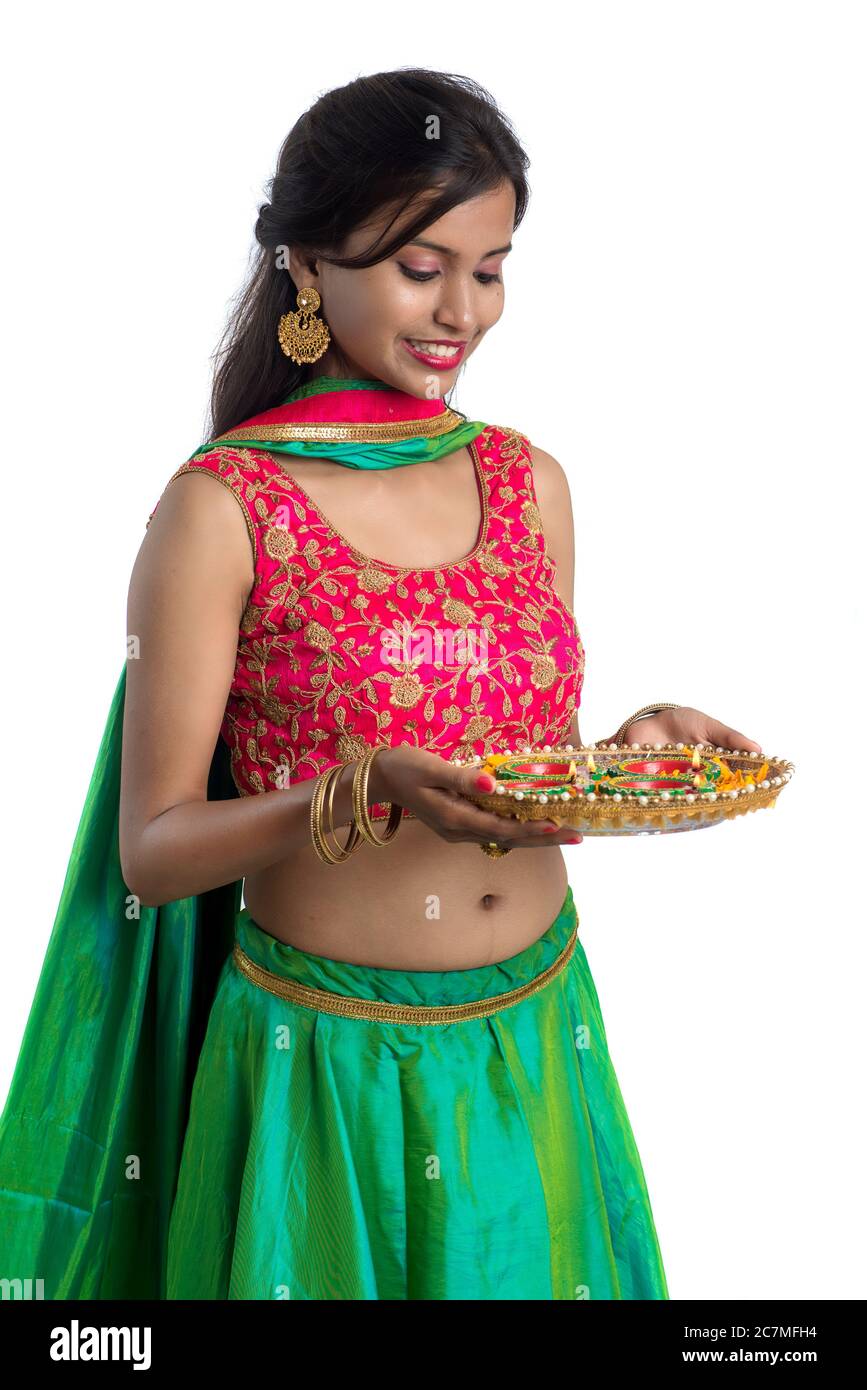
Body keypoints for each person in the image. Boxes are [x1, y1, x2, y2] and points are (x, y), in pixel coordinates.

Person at [0, 67, 761, 1301]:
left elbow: (521, 766)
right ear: (308, 264)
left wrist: (630, 750)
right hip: (324, 1067)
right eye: (421, 267)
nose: (462, 309)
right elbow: (154, 847)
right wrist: (354, 792)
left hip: (535, 1035)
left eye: (493, 266)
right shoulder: (224, 509)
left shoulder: (529, 482)